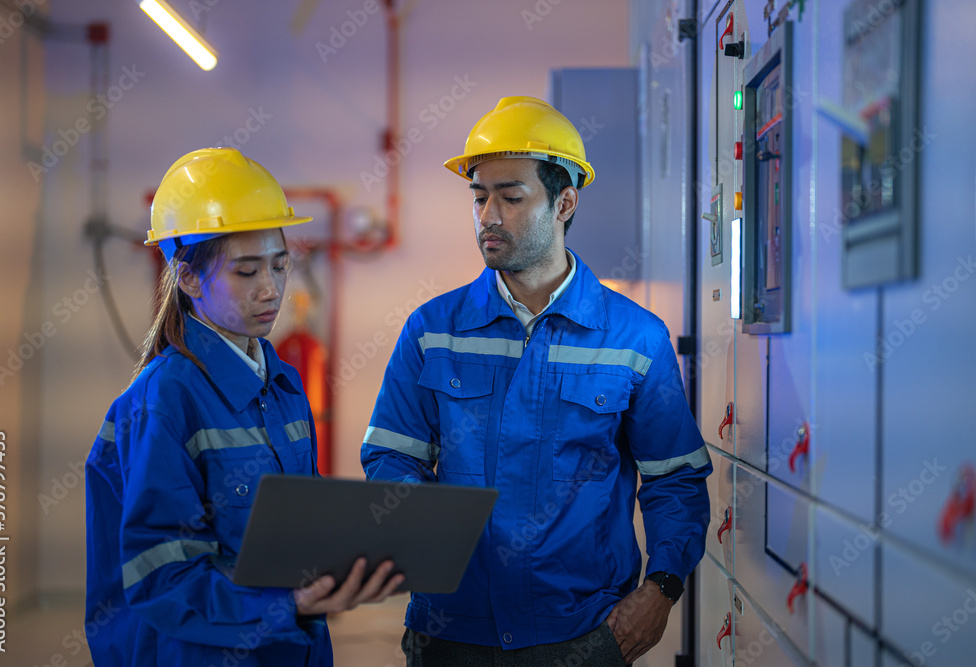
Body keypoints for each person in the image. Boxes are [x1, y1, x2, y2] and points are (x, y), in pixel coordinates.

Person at [361, 97, 712, 666]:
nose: (488, 215)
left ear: (565, 201)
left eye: (511, 197)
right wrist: (430, 538)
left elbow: (675, 481)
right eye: (479, 197)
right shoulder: (433, 329)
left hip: (584, 632)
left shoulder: (634, 338)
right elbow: (391, 458)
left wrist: (662, 589)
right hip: (450, 631)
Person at [85, 148, 402, 666]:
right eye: (247, 271)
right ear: (188, 278)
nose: (270, 290)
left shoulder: (283, 384)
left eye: (280, 266)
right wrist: (287, 603)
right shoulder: (164, 400)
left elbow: (301, 524)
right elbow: (160, 574)